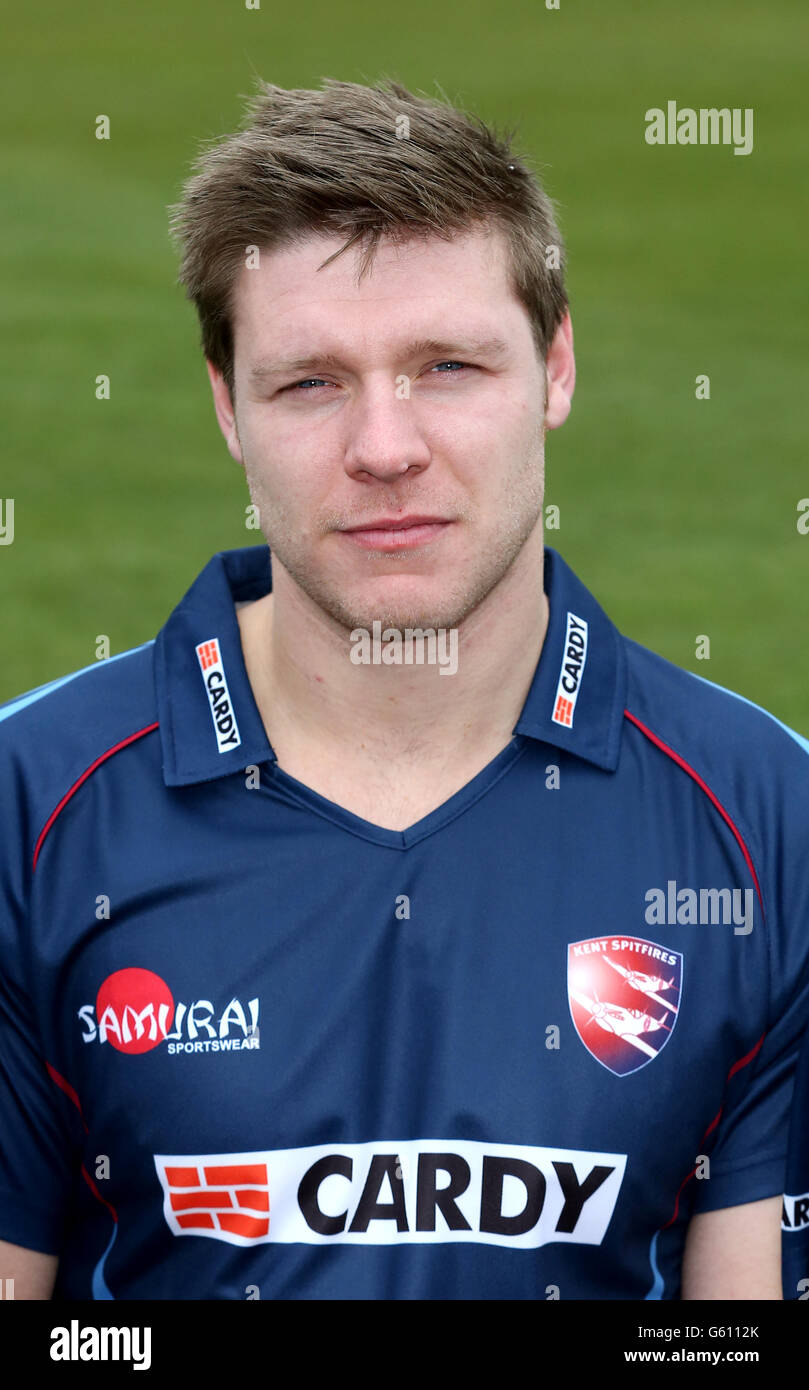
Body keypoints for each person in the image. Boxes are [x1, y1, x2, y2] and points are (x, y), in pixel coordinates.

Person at [1, 77, 808, 1302]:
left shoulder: (767, 824)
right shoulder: (27, 809)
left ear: (553, 367)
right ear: (228, 407)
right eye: (310, 382)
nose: (384, 448)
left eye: (445, 366)